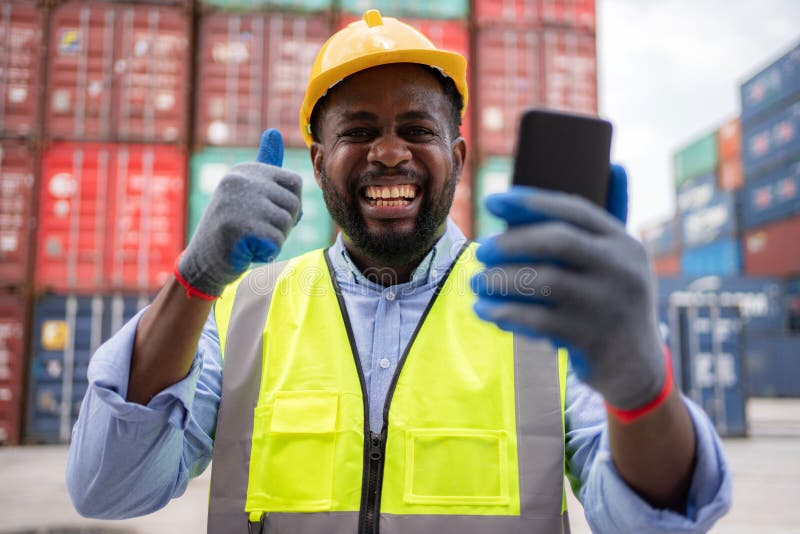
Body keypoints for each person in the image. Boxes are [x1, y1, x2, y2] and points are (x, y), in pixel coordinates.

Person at [67, 10, 732, 534]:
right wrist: (196, 279)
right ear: (318, 159)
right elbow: (110, 486)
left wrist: (639, 381)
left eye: (418, 129)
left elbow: (660, 518)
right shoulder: (243, 311)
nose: (389, 153)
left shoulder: (539, 308)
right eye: (357, 132)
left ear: (460, 156)